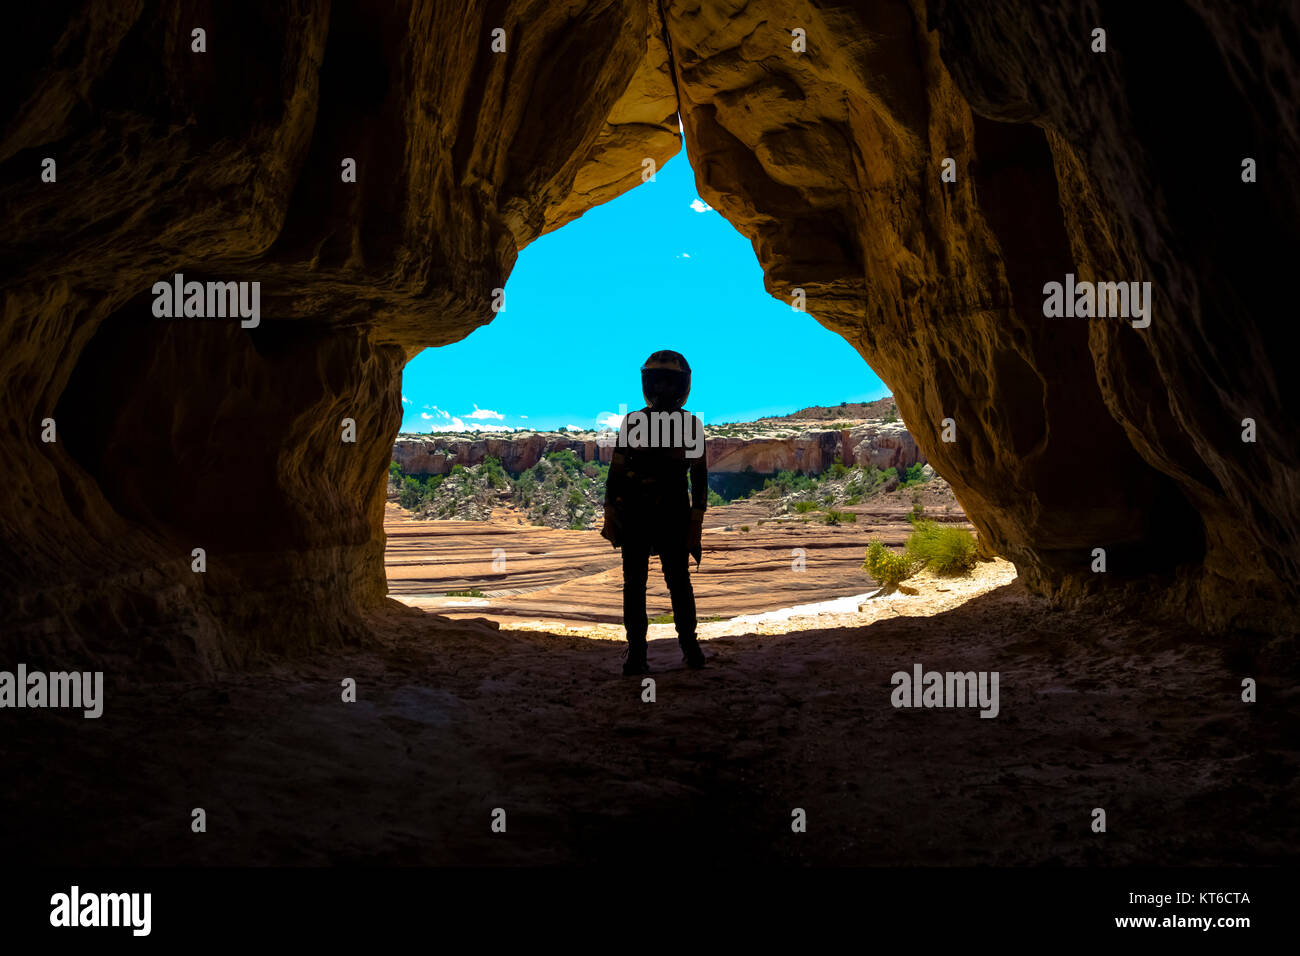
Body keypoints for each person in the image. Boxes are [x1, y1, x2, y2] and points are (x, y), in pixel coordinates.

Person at [600, 350, 707, 675]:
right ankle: (690, 650)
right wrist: (696, 522)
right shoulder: (690, 424)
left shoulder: (633, 421)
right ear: (685, 386)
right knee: (678, 583)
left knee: (635, 584)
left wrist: (610, 513)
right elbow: (699, 480)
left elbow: (615, 474)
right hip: (673, 513)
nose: (660, 387)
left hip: (636, 512)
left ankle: (637, 656)